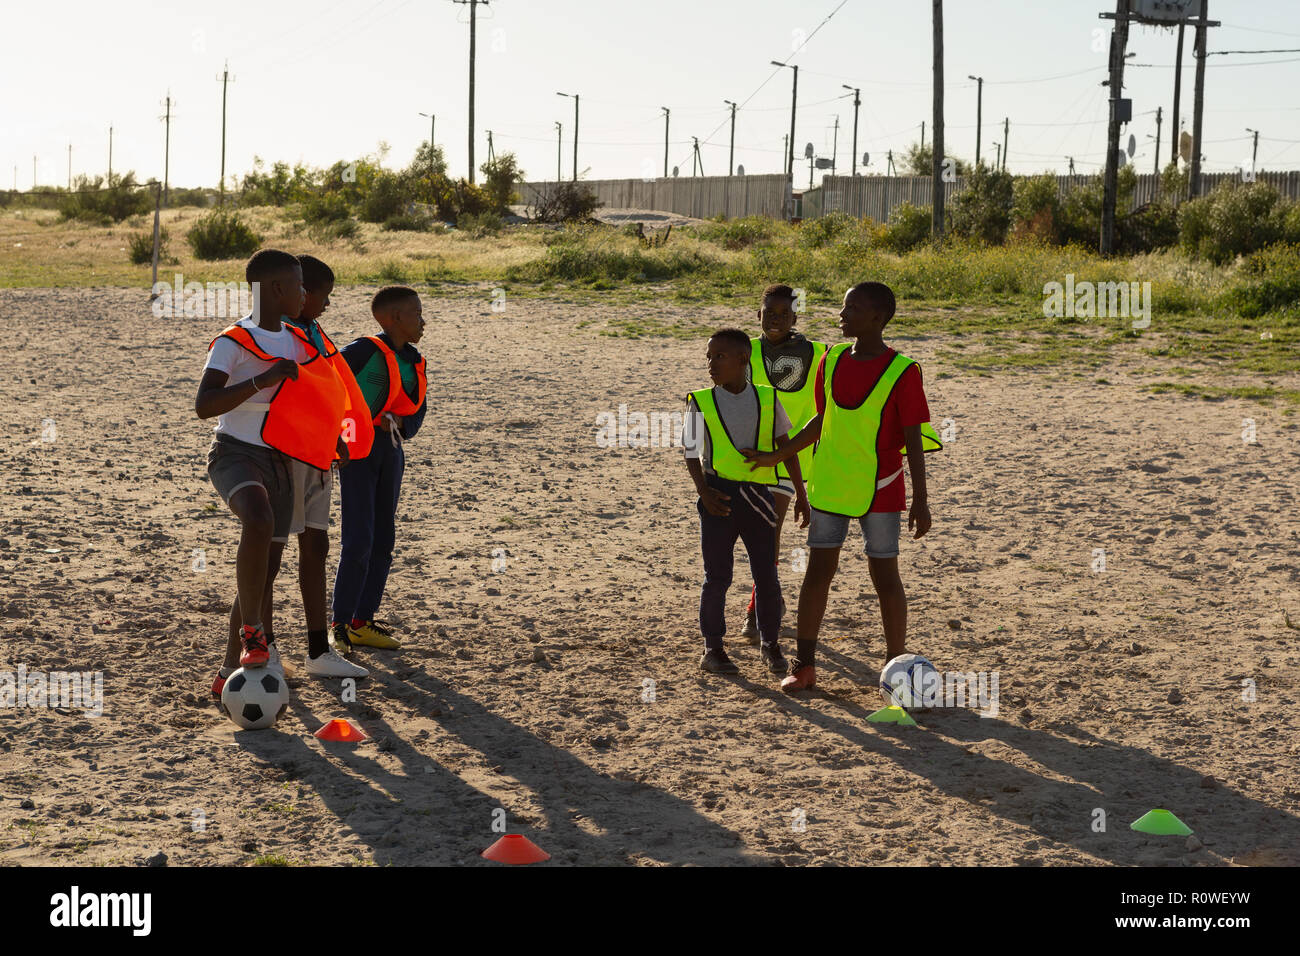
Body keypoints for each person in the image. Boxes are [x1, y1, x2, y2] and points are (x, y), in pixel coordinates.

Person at [743, 282, 941, 692]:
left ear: (877, 318)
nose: (841, 313)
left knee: (885, 576)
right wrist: (776, 457)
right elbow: (820, 421)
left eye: (852, 308)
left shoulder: (904, 370)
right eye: (843, 306)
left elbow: (914, 437)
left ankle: (895, 669)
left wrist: (921, 500)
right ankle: (804, 664)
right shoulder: (830, 359)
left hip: (881, 487)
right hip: (830, 483)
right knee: (817, 573)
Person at [197, 250, 367, 708]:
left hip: (282, 459)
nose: (304, 294)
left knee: (264, 569)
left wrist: (333, 438)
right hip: (235, 454)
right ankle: (256, 634)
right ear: (275, 290)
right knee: (256, 520)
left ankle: (229, 665)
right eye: (298, 286)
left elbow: (318, 395)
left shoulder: (297, 338)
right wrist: (262, 380)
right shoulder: (234, 340)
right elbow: (204, 404)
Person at [684, 328, 808, 676]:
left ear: (743, 360)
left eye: (719, 356)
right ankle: (713, 649)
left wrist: (801, 494)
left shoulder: (767, 398)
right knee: (717, 577)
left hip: (759, 499)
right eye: (708, 357)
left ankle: (770, 644)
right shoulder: (701, 400)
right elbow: (691, 453)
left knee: (767, 576)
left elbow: (787, 449)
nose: (711, 364)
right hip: (717, 499)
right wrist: (703, 492)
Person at [331, 285, 427, 654]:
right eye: (416, 314)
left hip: (391, 451)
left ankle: (362, 622)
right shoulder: (362, 350)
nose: (422, 321)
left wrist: (401, 425)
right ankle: (339, 624)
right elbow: (331, 386)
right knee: (358, 539)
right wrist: (342, 433)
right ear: (393, 318)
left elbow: (417, 410)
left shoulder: (414, 359)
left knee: (384, 539)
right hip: (357, 454)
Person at [738, 283, 828, 643]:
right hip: (749, 457)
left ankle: (758, 607)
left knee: (769, 532)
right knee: (753, 535)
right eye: (769, 313)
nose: (776, 320)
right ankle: (765, 598)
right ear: (757, 315)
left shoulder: (821, 354)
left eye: (784, 314)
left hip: (793, 459)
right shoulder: (744, 351)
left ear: (796, 317)